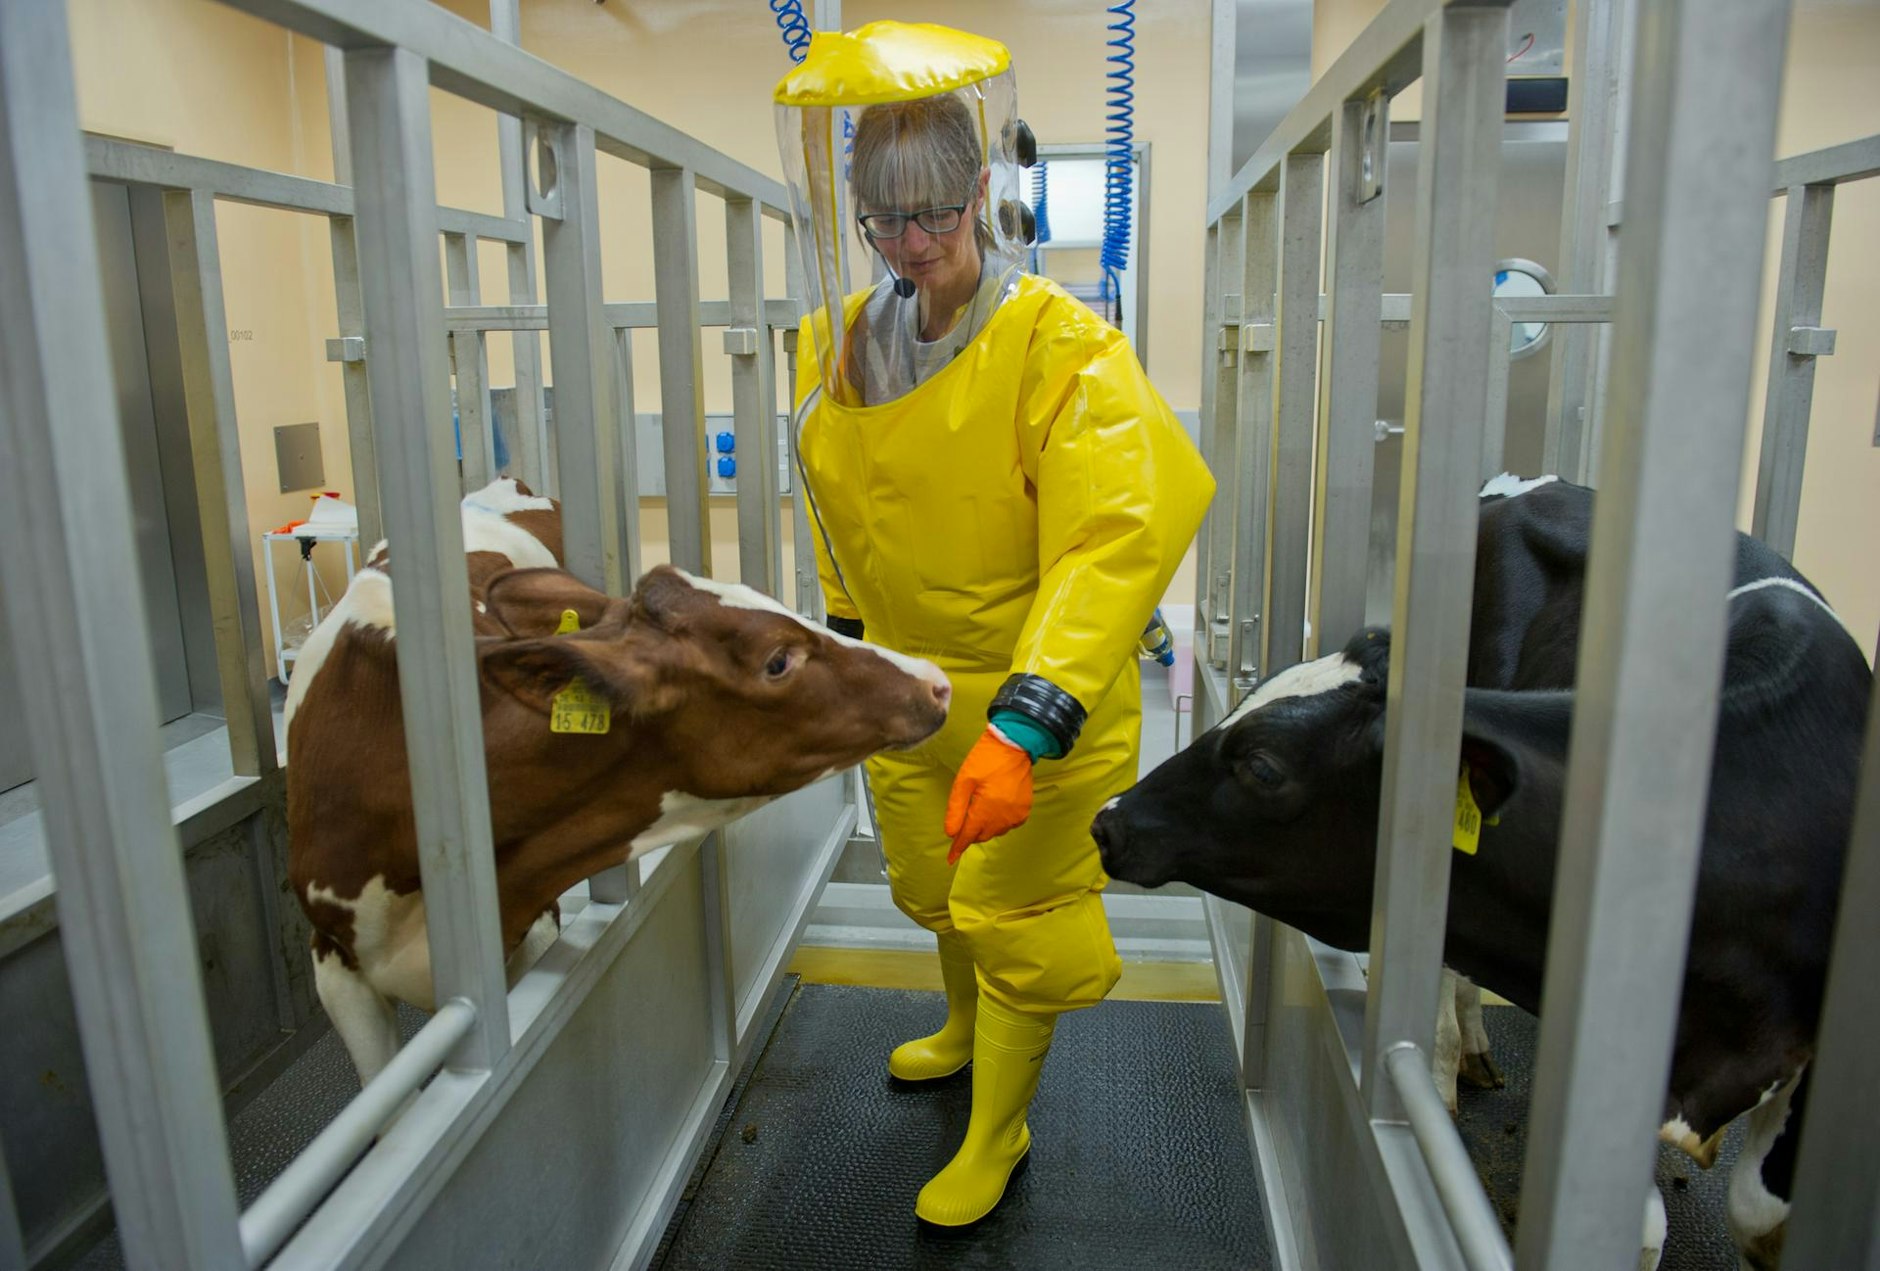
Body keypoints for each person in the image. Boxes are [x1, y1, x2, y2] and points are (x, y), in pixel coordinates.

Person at [774, 21, 1213, 1227]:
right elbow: (833, 503)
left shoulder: (1058, 347)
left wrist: (1033, 716)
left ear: (982, 193)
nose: (910, 247)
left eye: (931, 217)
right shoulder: (841, 345)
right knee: (933, 884)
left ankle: (998, 1131)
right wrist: (841, 650)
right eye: (882, 222)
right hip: (906, 687)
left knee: (1014, 910)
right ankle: (959, 1025)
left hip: (1032, 697)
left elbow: (1115, 532)